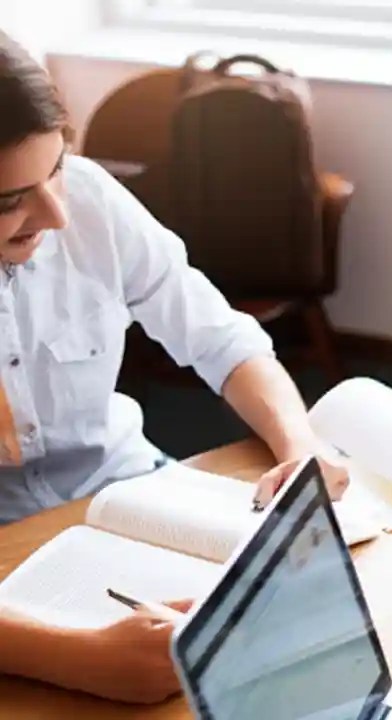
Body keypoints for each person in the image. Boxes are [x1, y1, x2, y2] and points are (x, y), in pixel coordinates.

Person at [0, 32, 346, 702]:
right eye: (9, 200)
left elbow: (220, 336)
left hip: (131, 491)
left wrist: (298, 442)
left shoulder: (92, 198)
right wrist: (73, 657)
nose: (57, 213)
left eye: (57, 170)